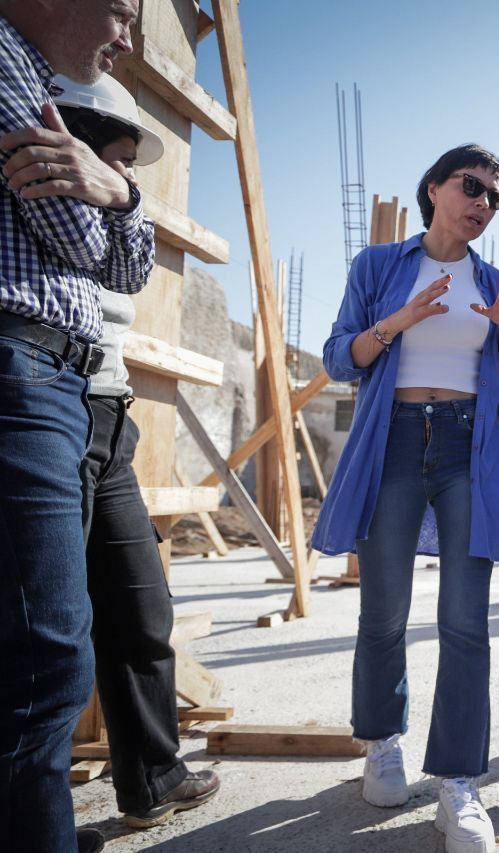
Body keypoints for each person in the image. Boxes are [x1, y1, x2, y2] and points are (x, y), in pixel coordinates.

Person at [312, 144, 499, 853]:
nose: (484, 204)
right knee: (384, 610)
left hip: (467, 445)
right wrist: (400, 319)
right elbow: (340, 355)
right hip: (395, 440)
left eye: (495, 198)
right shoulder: (378, 266)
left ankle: (459, 783)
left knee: (467, 620)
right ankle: (382, 743)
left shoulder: (496, 279)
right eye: (473, 187)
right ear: (434, 187)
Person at [50, 71, 220, 833]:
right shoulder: (36, 200)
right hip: (44, 409)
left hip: (108, 417)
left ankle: (153, 776)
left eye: (128, 161)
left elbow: (131, 263)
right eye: (113, 157)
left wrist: (119, 196)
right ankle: (35, 817)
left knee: (140, 608)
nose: (125, 174)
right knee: (42, 635)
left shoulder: (113, 213)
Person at [0, 3, 152, 850]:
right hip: (25, 376)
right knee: (48, 658)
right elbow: (73, 231)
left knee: (74, 636)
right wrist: (102, 201)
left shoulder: (27, 71)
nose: (128, 36)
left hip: (65, 388)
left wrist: (115, 188)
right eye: (124, 11)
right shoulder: (7, 65)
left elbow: (123, 263)